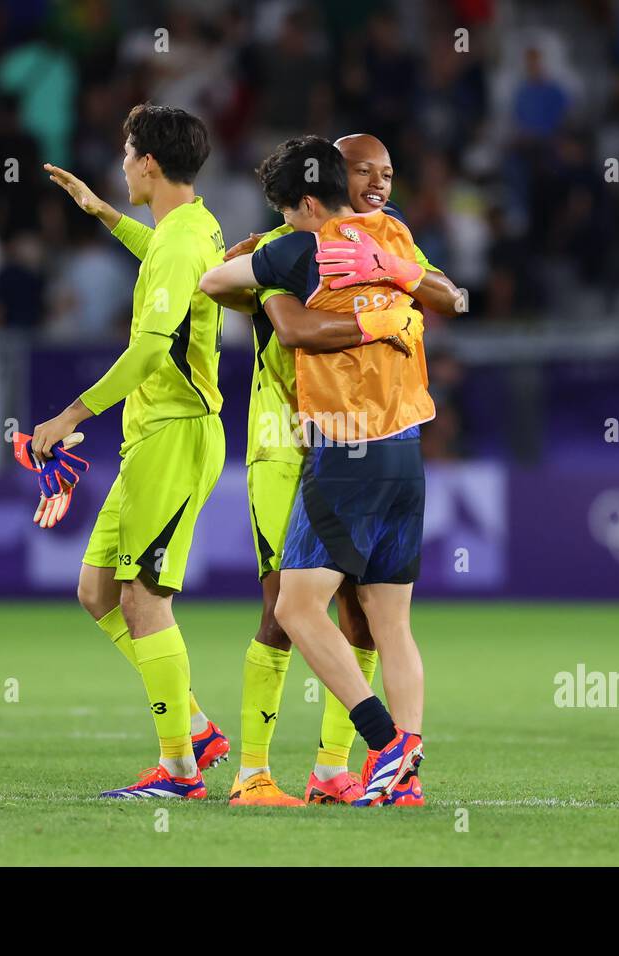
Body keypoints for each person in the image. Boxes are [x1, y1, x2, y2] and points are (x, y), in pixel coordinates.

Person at [199, 136, 432, 806]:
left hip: (341, 449)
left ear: (301, 203)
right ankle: (399, 781)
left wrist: (253, 260)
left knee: (296, 608)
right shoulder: (392, 242)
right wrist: (394, 308)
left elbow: (213, 282)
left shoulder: (296, 248)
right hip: (405, 447)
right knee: (389, 625)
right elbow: (445, 295)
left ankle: (386, 743)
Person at [31, 104, 227, 799]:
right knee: (96, 591)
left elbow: (149, 348)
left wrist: (70, 413)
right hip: (150, 438)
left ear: (149, 162)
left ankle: (179, 770)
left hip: (176, 433)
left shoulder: (179, 240)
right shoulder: (191, 225)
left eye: (124, 151)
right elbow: (164, 259)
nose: (119, 163)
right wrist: (103, 214)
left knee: (144, 599)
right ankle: (196, 727)